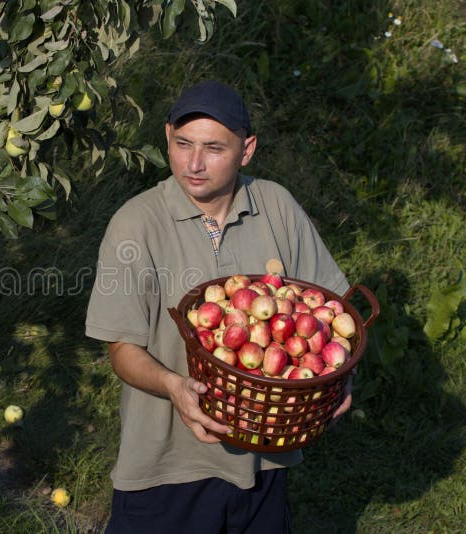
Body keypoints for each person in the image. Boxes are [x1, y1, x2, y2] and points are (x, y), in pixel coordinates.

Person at [84, 80, 352, 533]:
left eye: (214, 148)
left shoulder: (276, 207)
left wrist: (341, 376)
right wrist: (174, 386)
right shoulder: (136, 224)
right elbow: (122, 348)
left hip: (264, 460)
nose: (193, 163)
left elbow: (333, 310)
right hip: (166, 466)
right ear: (167, 136)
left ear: (246, 150)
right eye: (183, 144)